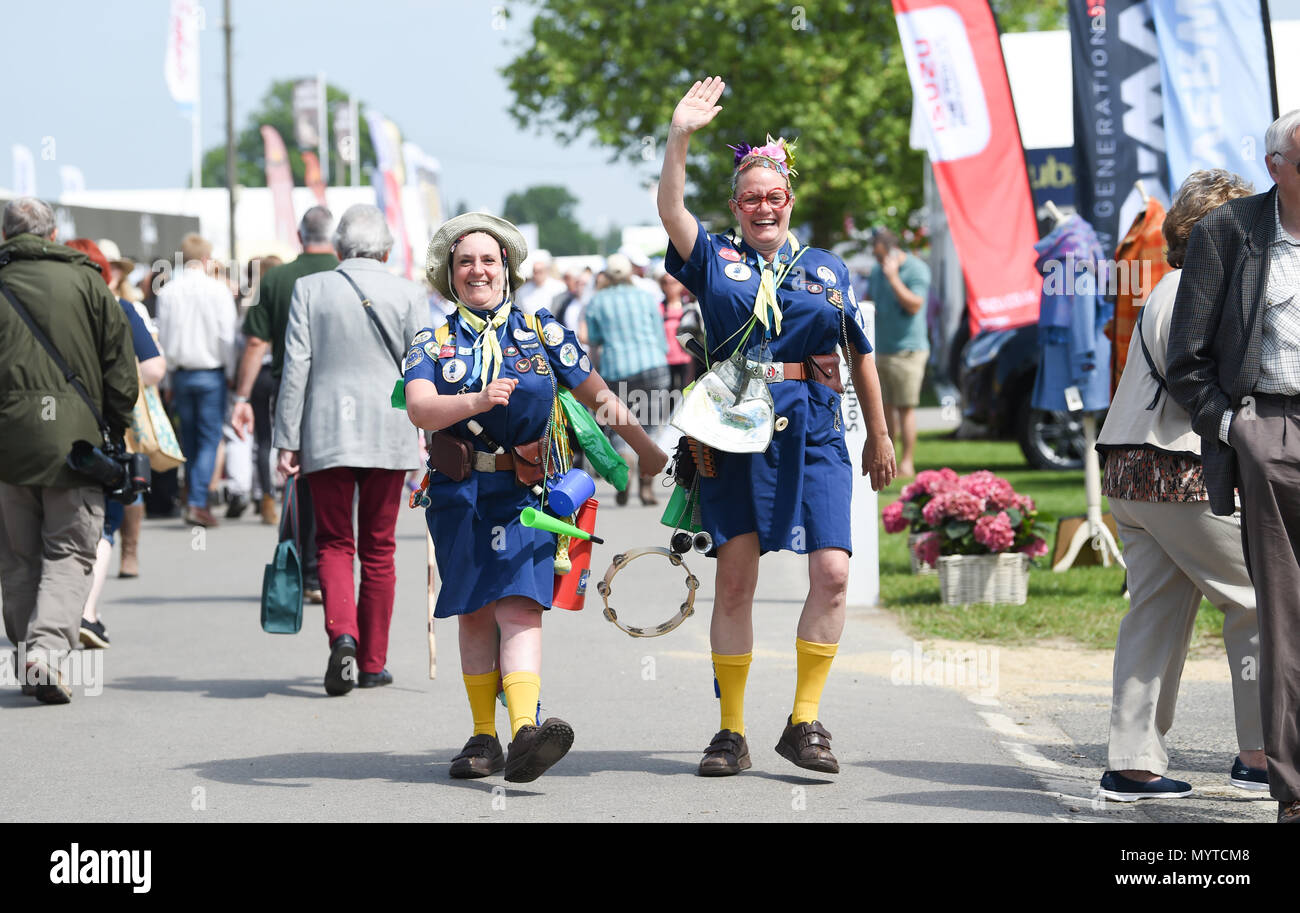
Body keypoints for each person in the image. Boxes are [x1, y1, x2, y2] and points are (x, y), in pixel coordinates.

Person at [658, 77, 895, 776]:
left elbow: (860, 353)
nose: (764, 206)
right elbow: (671, 206)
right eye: (751, 197)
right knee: (735, 581)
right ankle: (730, 730)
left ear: (789, 201)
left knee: (832, 573)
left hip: (818, 427)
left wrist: (877, 434)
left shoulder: (827, 268)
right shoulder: (713, 259)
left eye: (775, 196)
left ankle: (805, 720)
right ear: (736, 206)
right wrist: (680, 135)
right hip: (736, 431)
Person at [404, 212, 667, 782]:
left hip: (528, 490)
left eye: (489, 260)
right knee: (474, 612)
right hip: (460, 491)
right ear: (450, 274)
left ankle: (526, 732)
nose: (478, 270)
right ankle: (482, 737)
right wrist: (476, 400)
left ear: (508, 270)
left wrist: (648, 452)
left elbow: (597, 395)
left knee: (521, 604)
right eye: (466, 261)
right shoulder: (433, 339)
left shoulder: (542, 330)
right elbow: (420, 407)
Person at [1094, 170, 1265, 802]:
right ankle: (1261, 752)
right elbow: (1202, 386)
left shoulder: (1167, 286)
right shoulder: (1200, 289)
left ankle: (1133, 765)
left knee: (1156, 615)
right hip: (1181, 474)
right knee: (1259, 600)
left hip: (1135, 473)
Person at [1166, 109, 1300, 825]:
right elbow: (1186, 357)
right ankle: (1295, 788)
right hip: (1271, 427)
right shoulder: (1230, 232)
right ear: (1277, 164)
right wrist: (1232, 427)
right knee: (1283, 616)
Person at [273, 205, 425, 695]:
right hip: (390, 429)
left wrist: (285, 439)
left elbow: (296, 366)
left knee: (334, 543)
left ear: (338, 248)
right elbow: (421, 369)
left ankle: (342, 635)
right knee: (379, 547)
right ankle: (373, 661)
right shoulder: (407, 291)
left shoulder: (310, 289)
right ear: (385, 249)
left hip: (326, 429)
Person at [0, 199, 138, 702]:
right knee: (70, 550)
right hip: (75, 444)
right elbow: (120, 369)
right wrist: (116, 425)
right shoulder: (86, 282)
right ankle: (45, 651)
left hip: (8, 445)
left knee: (17, 557)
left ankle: (26, 655)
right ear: (53, 233)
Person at [63, 240, 167, 649]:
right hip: (101, 430)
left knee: (45, 527)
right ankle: (86, 612)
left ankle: (48, 621)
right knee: (103, 520)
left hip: (36, 433)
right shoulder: (118, 309)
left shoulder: (32, 305)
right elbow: (155, 367)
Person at [232, 207, 337, 600]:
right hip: (341, 395)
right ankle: (327, 568)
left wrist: (241, 397)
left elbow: (257, 343)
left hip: (290, 389)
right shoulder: (346, 275)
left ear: (299, 234)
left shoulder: (274, 278)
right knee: (338, 480)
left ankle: (304, 571)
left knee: (298, 477)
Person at [155, 232, 237, 528]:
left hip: (180, 374)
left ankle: (193, 495)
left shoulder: (168, 292)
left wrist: (164, 382)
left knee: (188, 440)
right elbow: (227, 337)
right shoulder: (218, 291)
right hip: (210, 373)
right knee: (209, 439)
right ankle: (197, 501)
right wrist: (231, 373)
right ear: (206, 259)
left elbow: (162, 340)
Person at [580, 252, 670, 506]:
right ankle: (646, 489)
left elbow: (594, 339)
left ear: (606, 276)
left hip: (616, 368)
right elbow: (659, 334)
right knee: (650, 425)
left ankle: (626, 466)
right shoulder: (645, 297)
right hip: (652, 364)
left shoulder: (597, 302)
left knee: (620, 426)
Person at [97, 238, 156, 575]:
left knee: (129, 473)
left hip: (127, 404)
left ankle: (128, 551)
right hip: (114, 404)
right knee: (122, 471)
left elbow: (154, 366)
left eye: (114, 266)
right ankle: (109, 544)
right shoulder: (121, 308)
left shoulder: (132, 307)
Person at [868, 228, 931, 479]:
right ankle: (889, 461)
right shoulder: (876, 271)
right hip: (881, 348)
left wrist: (893, 278)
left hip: (909, 351)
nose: (878, 261)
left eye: (881, 256)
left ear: (893, 252)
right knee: (885, 408)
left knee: (905, 408)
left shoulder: (916, 270)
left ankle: (907, 462)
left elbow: (915, 305)